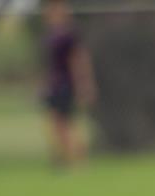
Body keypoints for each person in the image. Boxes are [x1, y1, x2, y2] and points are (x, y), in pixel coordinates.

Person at [39, 0, 96, 170]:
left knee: (65, 124)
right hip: (54, 84)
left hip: (65, 83)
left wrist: (84, 84)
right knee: (55, 123)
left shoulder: (69, 35)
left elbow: (78, 60)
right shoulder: (51, 34)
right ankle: (64, 159)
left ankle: (78, 160)